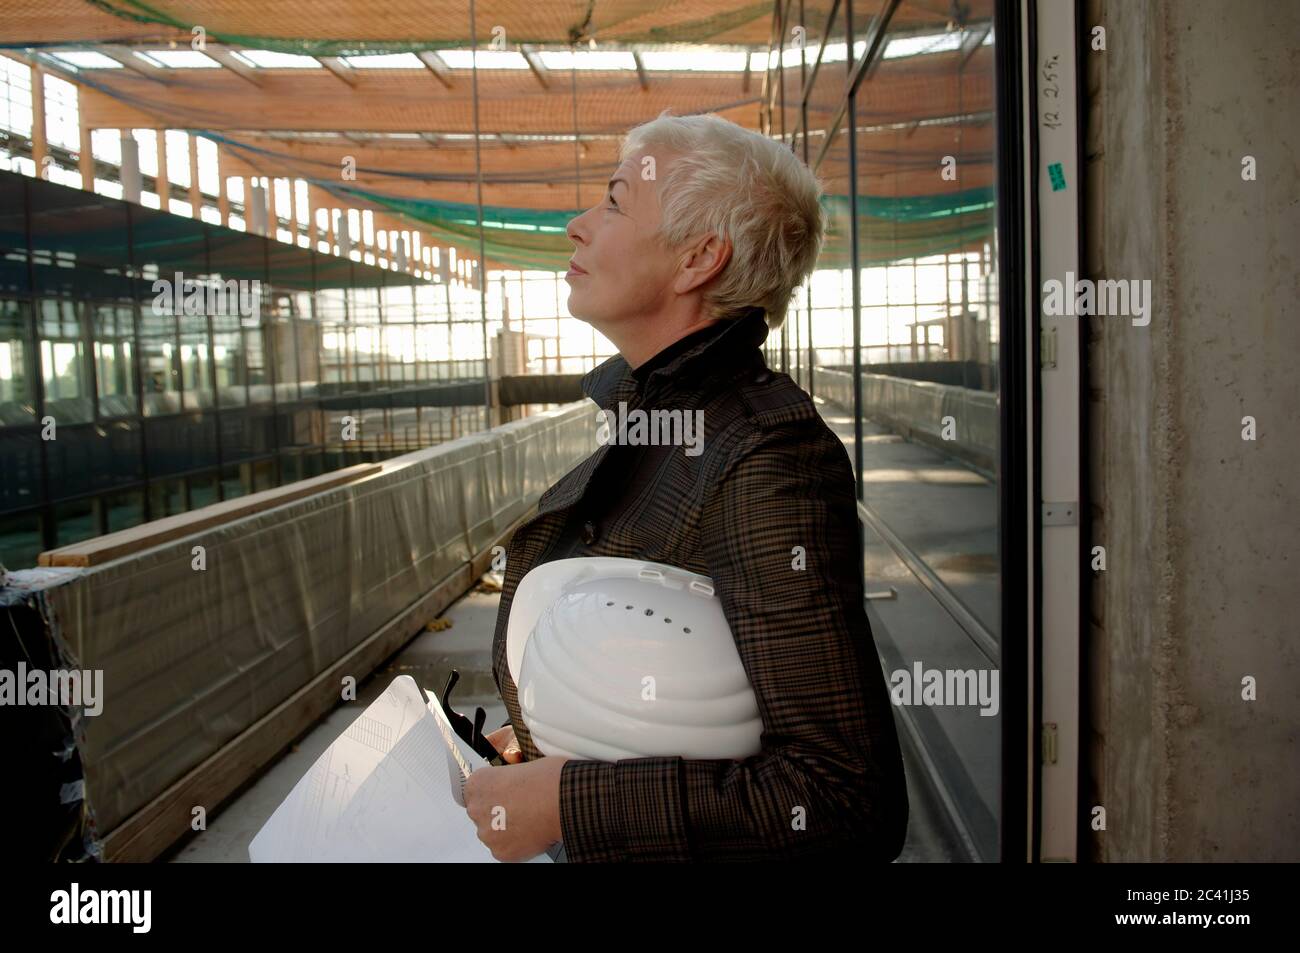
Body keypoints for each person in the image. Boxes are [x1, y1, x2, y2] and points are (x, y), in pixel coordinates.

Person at [463, 110, 909, 862]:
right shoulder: (668, 416)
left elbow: (843, 799)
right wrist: (551, 730)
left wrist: (567, 802)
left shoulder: (766, 454)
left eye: (612, 201)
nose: (578, 225)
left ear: (699, 257)